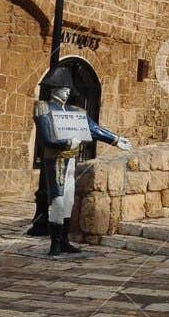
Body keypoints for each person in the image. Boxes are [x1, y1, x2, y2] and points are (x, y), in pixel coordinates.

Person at [33, 65, 130, 256]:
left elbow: (93, 128)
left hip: (71, 160)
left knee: (68, 201)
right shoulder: (43, 108)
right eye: (64, 88)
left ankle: (64, 240)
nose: (67, 92)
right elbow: (46, 138)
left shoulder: (75, 110)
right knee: (58, 200)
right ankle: (55, 243)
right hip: (56, 159)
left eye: (68, 89)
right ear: (54, 89)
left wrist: (116, 139)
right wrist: (68, 142)